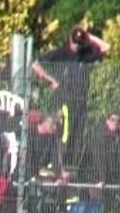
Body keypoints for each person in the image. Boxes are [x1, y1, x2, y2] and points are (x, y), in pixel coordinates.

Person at [31, 27, 109, 167]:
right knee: (63, 134)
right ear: (70, 39)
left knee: (76, 136)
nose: (76, 46)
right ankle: (56, 166)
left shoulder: (84, 54)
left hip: (80, 102)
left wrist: (88, 36)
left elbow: (105, 48)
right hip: (63, 101)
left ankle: (69, 166)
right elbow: (35, 65)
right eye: (75, 42)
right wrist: (51, 81)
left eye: (80, 43)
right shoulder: (61, 53)